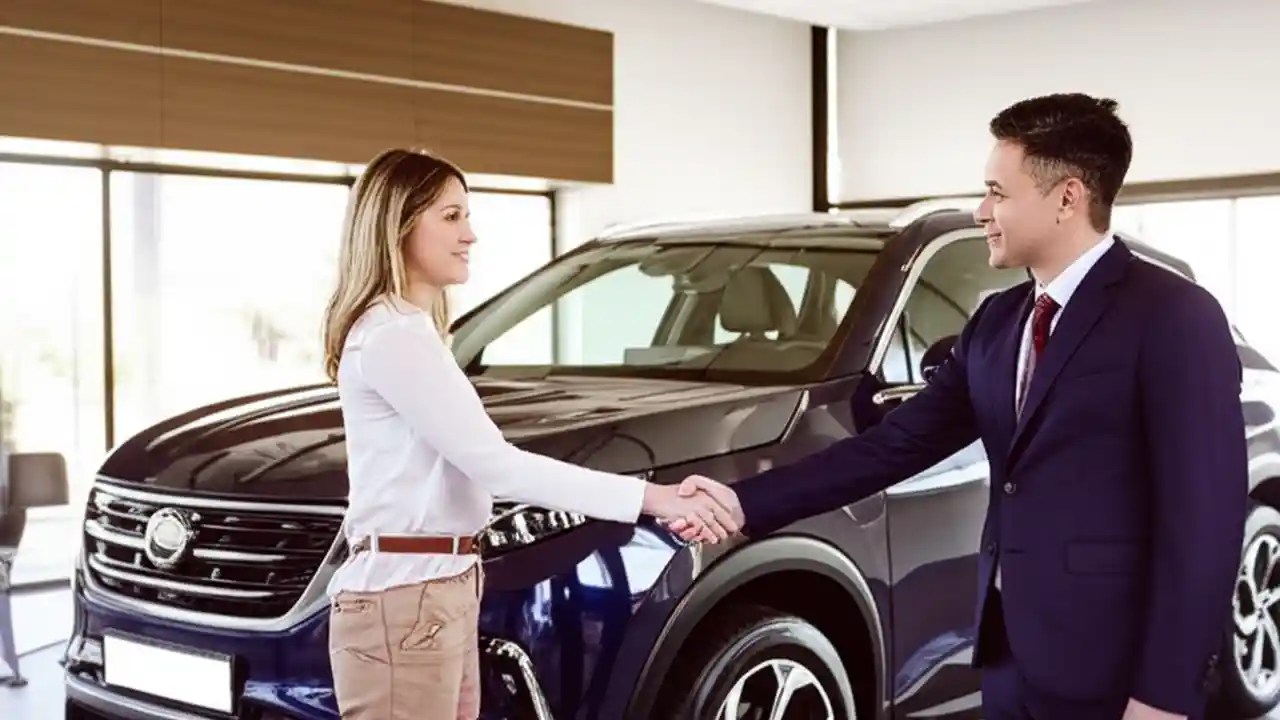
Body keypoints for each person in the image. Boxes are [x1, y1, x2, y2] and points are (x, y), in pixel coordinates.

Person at [670, 94, 1246, 720]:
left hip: (1115, 672)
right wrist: (743, 501)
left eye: (998, 192)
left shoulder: (1173, 315)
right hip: (1007, 657)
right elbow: (895, 445)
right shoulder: (999, 322)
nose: (981, 212)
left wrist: (1164, 693)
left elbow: (1204, 524)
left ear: (1067, 197)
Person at [319, 147, 738, 720]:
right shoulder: (393, 337)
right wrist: (654, 499)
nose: (471, 234)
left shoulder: (409, 333)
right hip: (407, 598)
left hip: (436, 588)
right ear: (398, 224)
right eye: (451, 216)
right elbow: (500, 467)